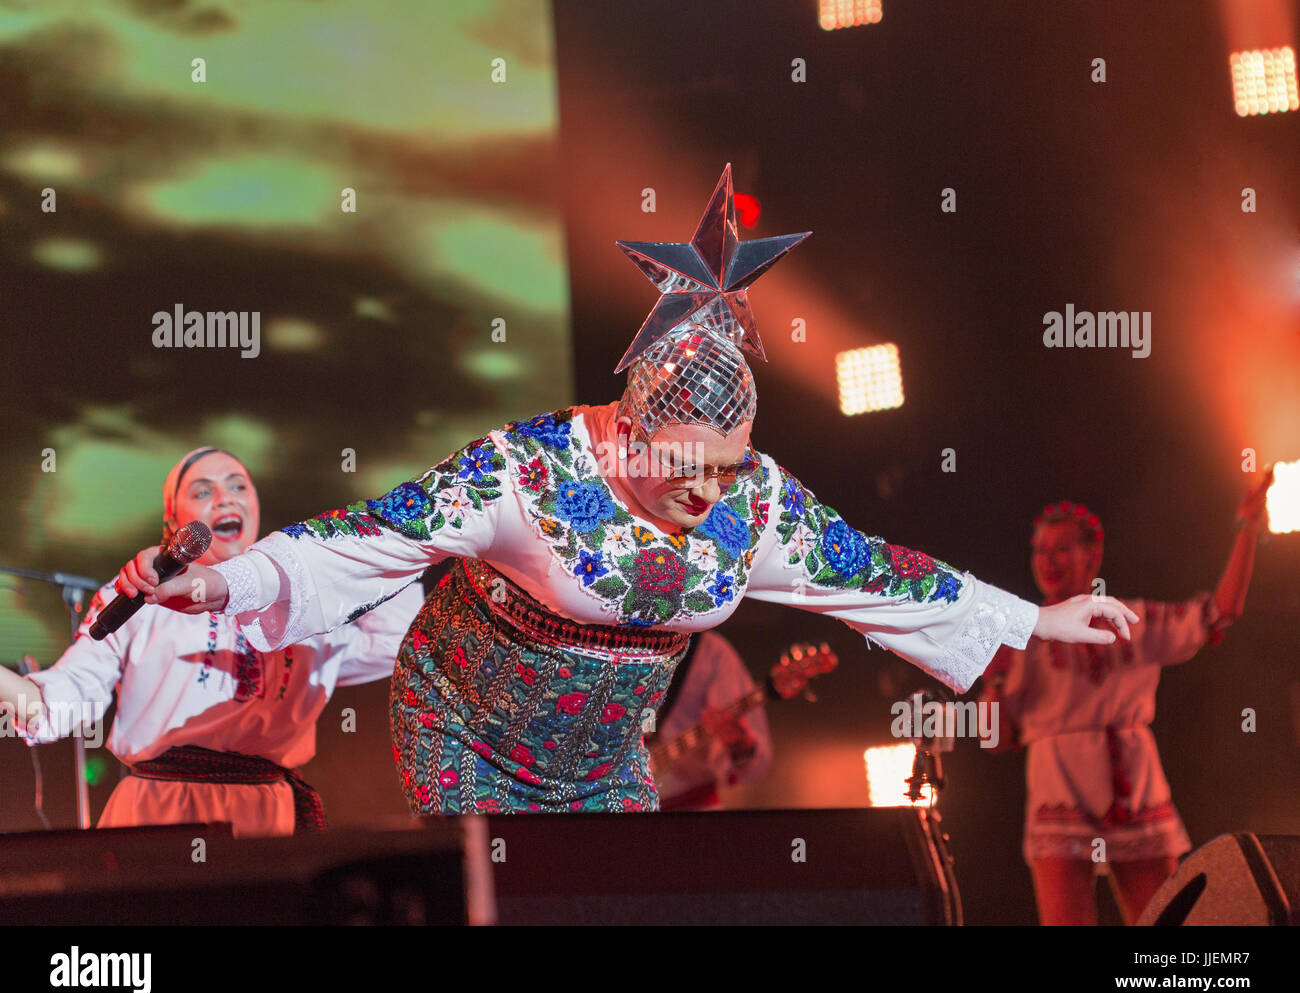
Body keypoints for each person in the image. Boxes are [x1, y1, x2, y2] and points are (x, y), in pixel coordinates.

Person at [111, 165, 1138, 816]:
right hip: (462, 736)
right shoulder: (526, 471)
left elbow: (875, 573)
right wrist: (212, 585)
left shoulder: (755, 503)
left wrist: (1032, 618)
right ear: (629, 432)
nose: (706, 493)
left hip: (606, 767)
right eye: (682, 466)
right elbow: (359, 539)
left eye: (726, 465)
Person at [0, 447, 422, 836]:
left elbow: (393, 642)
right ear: (172, 521)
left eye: (238, 486)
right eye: (203, 491)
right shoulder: (137, 597)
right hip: (158, 813)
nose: (225, 498)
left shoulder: (303, 604)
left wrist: (369, 531)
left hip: (268, 818)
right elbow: (59, 701)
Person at [978, 476, 1273, 925]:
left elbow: (1220, 611)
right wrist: (995, 682)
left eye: (1062, 549)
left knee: (1165, 926)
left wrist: (1248, 525)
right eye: (1041, 551)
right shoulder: (1023, 634)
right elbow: (994, 740)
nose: (1049, 561)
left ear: (1092, 556)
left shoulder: (1132, 619)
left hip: (1135, 788)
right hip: (1059, 790)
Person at [646, 631, 772, 811]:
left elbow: (754, 767)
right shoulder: (611, 642)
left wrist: (740, 746)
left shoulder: (711, 651)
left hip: (691, 809)